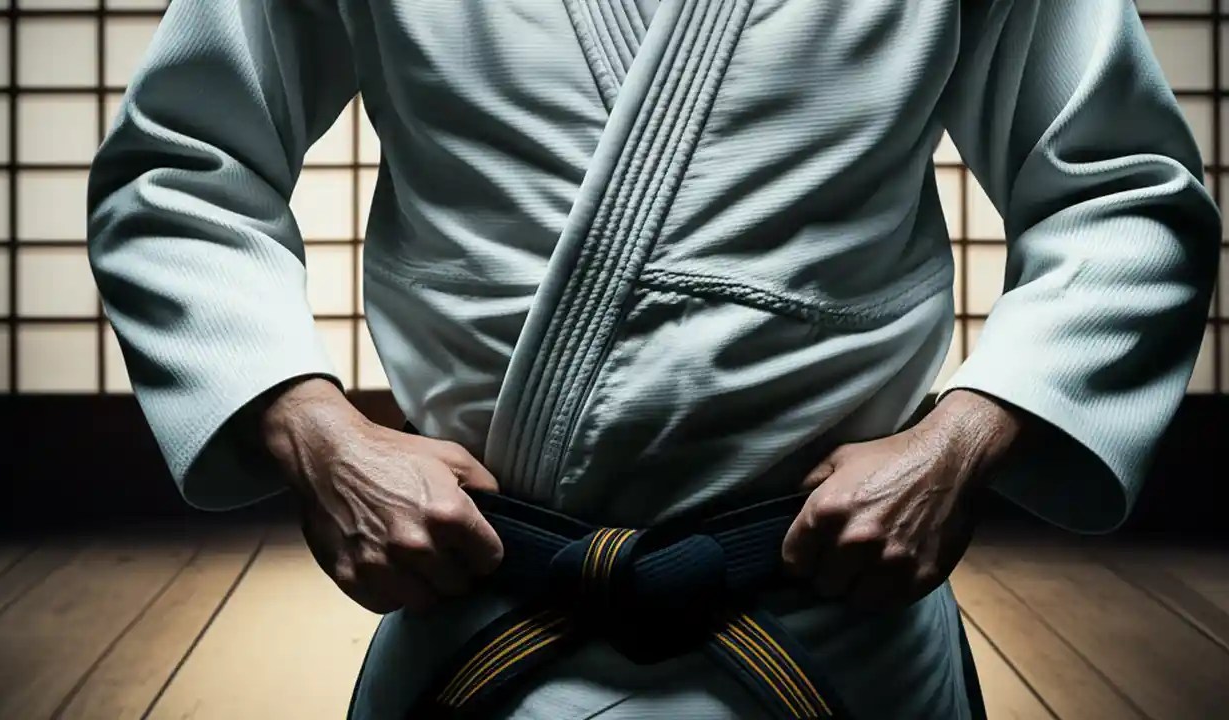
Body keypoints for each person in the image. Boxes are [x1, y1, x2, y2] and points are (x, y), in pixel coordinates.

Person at [86, 1, 1219, 718]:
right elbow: (179, 178)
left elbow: (1122, 197)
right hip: (485, 596)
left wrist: (964, 439)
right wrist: (311, 431)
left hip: (831, 608)